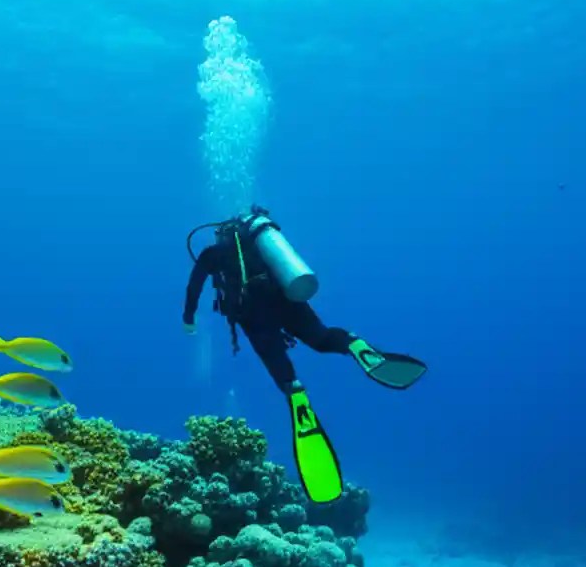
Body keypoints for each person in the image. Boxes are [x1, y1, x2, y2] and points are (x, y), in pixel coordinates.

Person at [182, 205, 427, 503]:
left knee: (277, 361)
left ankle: (297, 395)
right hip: (289, 301)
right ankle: (356, 346)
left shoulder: (213, 254)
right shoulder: (263, 244)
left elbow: (194, 286)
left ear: (222, 234)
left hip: (254, 313)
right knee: (322, 339)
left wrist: (188, 318)